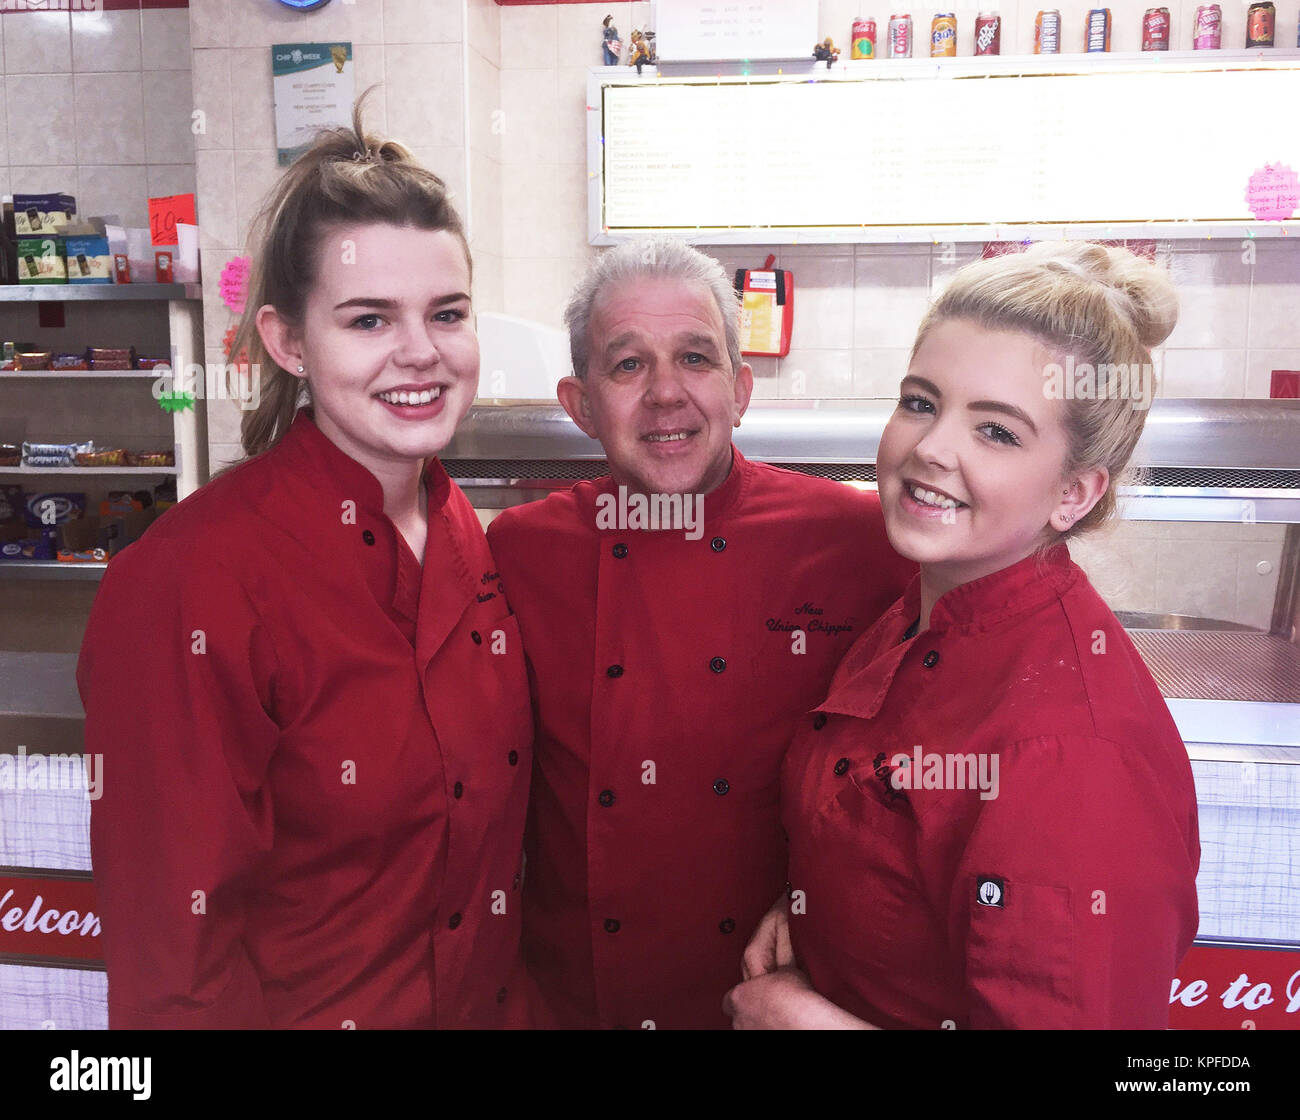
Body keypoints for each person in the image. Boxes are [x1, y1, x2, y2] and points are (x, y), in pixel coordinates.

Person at [77, 97, 533, 1029]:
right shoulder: (189, 585)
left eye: (447, 314)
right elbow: (173, 969)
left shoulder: (459, 531)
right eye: (368, 320)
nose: (421, 353)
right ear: (288, 341)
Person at [725, 241, 1201, 1029]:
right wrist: (820, 907)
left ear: (1074, 493)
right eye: (920, 402)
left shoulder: (1071, 757)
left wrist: (806, 1023)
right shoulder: (916, 615)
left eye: (998, 432)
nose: (931, 449)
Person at [486, 237, 915, 1029]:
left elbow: (916, 756)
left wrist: (830, 887)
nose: (665, 395)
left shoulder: (858, 540)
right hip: (571, 999)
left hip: (775, 995)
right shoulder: (518, 550)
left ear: (741, 389)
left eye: (695, 358)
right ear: (580, 404)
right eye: (627, 366)